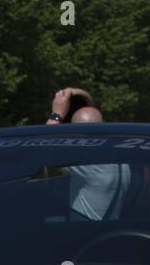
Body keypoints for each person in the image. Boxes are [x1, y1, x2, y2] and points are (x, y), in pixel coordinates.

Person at [43, 88, 129, 220]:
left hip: (83, 232)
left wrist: (56, 114)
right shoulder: (121, 161)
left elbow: (46, 147)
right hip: (106, 229)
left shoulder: (89, 163)